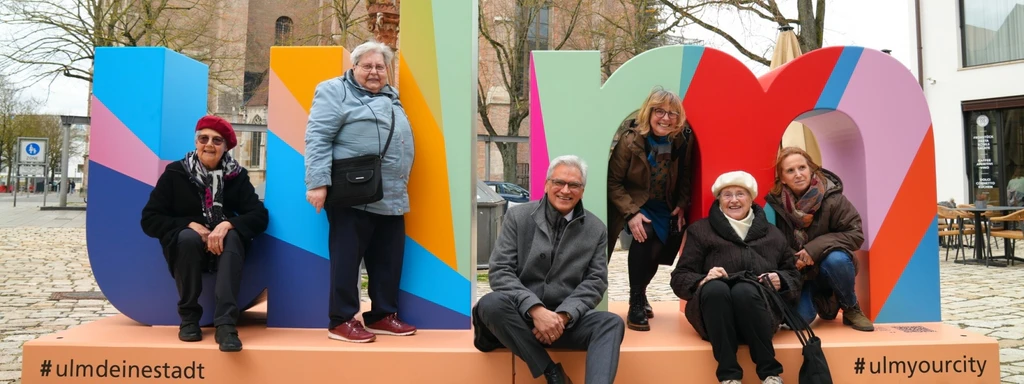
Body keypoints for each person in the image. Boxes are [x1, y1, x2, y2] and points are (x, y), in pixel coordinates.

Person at [473, 155, 625, 384]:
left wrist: (561, 317)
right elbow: (500, 271)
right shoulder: (518, 217)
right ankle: (553, 373)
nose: (565, 190)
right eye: (558, 182)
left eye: (574, 185)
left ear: (582, 190)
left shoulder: (596, 229)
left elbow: (595, 282)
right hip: (518, 321)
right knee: (490, 304)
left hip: (564, 323)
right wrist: (535, 310)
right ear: (546, 184)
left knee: (611, 323)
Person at [304, 40, 417, 343]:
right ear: (354, 66)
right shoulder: (334, 90)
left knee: (388, 259)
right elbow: (317, 137)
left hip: (391, 194)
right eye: (367, 65)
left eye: (380, 66)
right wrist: (317, 183)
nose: (374, 71)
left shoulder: (392, 96)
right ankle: (341, 320)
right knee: (346, 259)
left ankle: (382, 315)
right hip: (351, 194)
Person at [140, 115, 269, 352]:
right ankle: (189, 319)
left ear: (226, 147)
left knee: (233, 237)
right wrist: (188, 224)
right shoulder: (175, 173)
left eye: (217, 140)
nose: (209, 144)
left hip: (225, 245)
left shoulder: (236, 176)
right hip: (187, 245)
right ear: (196, 142)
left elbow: (259, 215)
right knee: (187, 238)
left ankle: (226, 325)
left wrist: (228, 224)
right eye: (203, 138)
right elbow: (150, 219)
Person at [670, 171, 800, 384]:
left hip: (760, 312)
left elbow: (794, 274)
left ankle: (770, 373)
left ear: (751, 198)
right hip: (714, 317)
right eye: (727, 195)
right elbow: (679, 278)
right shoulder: (700, 231)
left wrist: (781, 279)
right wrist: (703, 279)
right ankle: (729, 376)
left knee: (745, 290)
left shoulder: (773, 233)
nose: (734, 200)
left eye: (740, 194)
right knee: (715, 288)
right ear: (719, 200)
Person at [607, 87, 695, 331]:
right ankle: (635, 301)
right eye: (659, 111)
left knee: (659, 249)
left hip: (664, 203)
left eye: (672, 113)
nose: (665, 118)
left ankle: (642, 293)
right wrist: (632, 213)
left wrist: (682, 204)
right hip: (635, 201)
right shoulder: (630, 140)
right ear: (649, 112)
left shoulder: (683, 139)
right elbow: (613, 181)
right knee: (645, 240)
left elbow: (686, 174)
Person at [765, 147, 873, 331]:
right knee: (798, 322)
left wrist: (813, 249)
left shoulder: (833, 199)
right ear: (782, 178)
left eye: (802, 167)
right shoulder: (773, 205)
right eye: (790, 171)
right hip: (800, 276)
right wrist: (794, 259)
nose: (798, 174)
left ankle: (850, 307)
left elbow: (855, 234)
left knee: (837, 259)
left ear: (811, 169)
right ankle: (824, 302)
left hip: (828, 266)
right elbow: (769, 244)